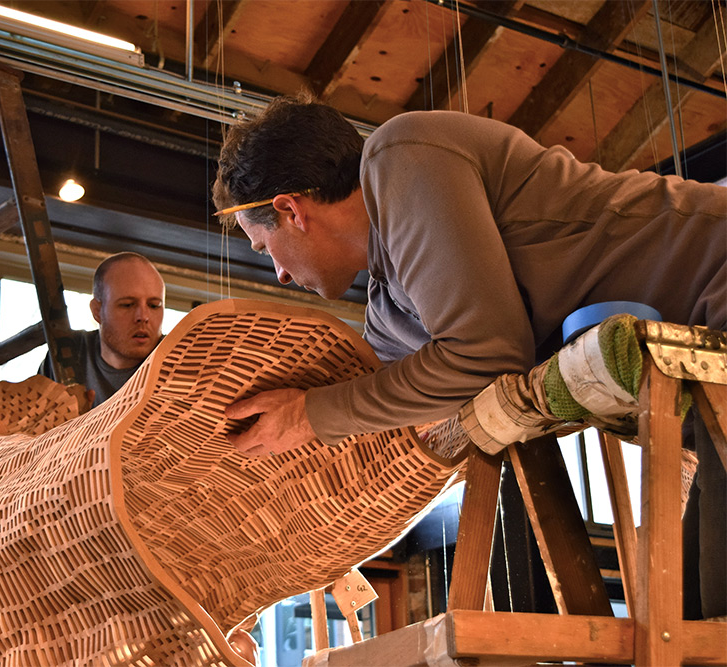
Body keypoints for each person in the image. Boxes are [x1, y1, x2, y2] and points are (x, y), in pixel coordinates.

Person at [212, 96, 726, 619]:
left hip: (717, 296)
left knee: (707, 620)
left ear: (290, 210)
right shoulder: (390, 313)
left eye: (263, 248)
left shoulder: (403, 156)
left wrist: (309, 412)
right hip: (700, 406)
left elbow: (486, 357)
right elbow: (386, 411)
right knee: (686, 622)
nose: (277, 272)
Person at [39, 252, 165, 408]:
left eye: (154, 305)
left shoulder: (180, 361)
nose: (143, 316)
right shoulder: (67, 352)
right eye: (127, 304)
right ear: (97, 311)